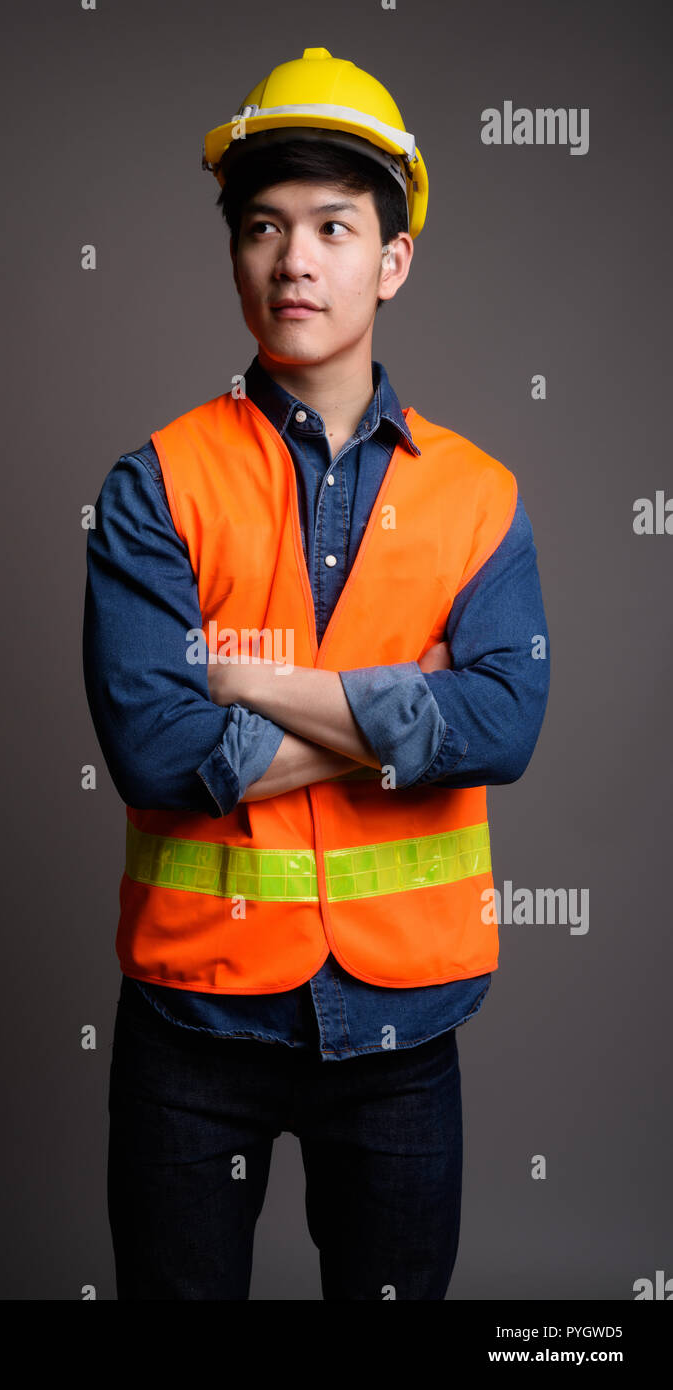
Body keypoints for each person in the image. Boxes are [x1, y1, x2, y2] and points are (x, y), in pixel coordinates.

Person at [82, 46, 550, 1300]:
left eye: (335, 227)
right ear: (237, 256)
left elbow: (505, 722)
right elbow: (151, 749)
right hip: (194, 1024)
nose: (296, 258)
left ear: (391, 261)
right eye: (265, 227)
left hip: (404, 1031)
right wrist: (408, 705)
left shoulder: (479, 496)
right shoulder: (153, 485)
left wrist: (247, 682)